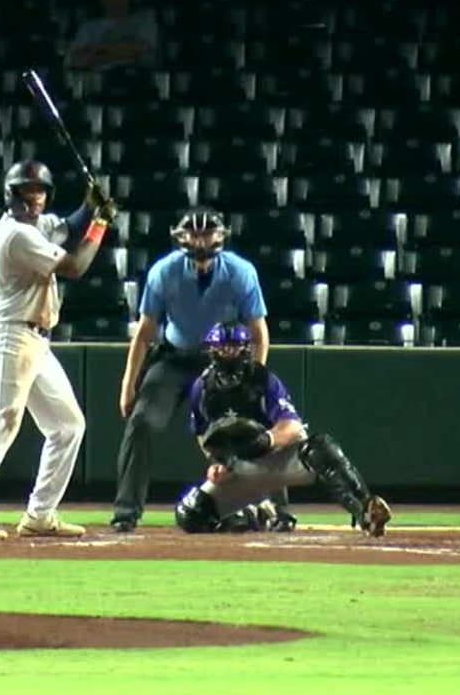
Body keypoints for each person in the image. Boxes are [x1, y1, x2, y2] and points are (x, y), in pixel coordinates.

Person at [0, 160, 116, 541]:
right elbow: (74, 266)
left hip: (36, 339)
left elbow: (67, 225)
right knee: (3, 421)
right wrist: (101, 224)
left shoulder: (38, 225)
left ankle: (40, 514)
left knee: (68, 426)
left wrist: (92, 203)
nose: (33, 198)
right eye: (26, 191)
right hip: (10, 336)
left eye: (38, 192)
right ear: (12, 194)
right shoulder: (15, 234)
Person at [111, 207, 276, 533]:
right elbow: (145, 333)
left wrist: (252, 378)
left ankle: (262, 506)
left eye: (207, 234)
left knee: (240, 430)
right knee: (142, 422)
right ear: (181, 237)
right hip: (173, 358)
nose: (201, 242)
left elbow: (259, 334)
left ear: (220, 237)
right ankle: (125, 512)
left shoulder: (240, 272)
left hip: (222, 361)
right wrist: (128, 384)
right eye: (194, 235)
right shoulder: (164, 272)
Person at [173, 322, 394, 537]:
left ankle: (365, 509)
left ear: (245, 349)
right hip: (240, 466)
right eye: (222, 347)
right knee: (190, 514)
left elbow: (293, 426)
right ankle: (253, 515)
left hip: (279, 458)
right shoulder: (202, 388)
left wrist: (266, 440)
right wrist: (216, 463)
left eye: (232, 347)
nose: (227, 353)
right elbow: (204, 435)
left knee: (320, 447)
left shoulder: (262, 380)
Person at [63, 0, 160, 73]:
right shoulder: (87, 29)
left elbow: (142, 49)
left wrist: (97, 49)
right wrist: (123, 53)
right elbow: (77, 61)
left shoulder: (145, 23)